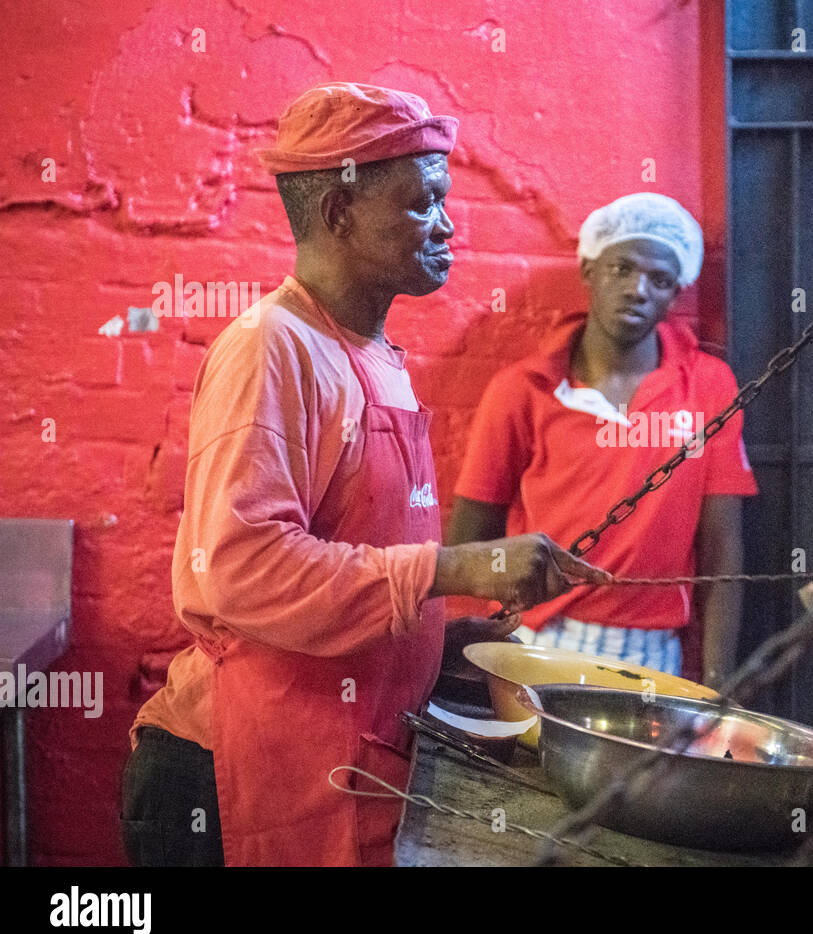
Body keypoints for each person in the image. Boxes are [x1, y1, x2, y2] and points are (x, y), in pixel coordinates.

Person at [120, 82, 610, 867]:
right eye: (422, 204)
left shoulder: (373, 358)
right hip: (229, 775)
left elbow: (345, 563)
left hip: (338, 762)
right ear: (338, 214)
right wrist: (461, 566)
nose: (448, 225)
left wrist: (433, 639)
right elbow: (243, 569)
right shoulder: (271, 348)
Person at [449, 193, 757, 685]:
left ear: (676, 294)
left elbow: (722, 543)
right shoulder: (523, 389)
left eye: (659, 279)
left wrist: (720, 683)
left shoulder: (707, 385)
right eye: (621, 269)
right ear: (588, 272)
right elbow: (467, 540)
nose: (637, 289)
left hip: (648, 652)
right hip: (536, 640)